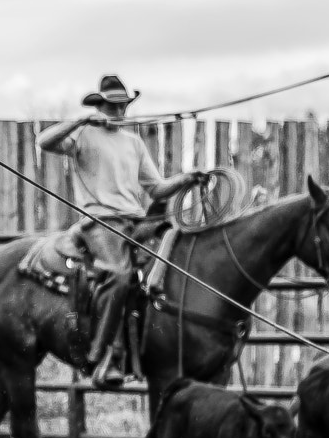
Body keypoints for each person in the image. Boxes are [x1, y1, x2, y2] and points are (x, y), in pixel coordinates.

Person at [37, 76, 205, 389]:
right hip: (100, 221)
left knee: (176, 245)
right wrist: (79, 120)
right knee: (119, 275)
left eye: (123, 105)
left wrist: (186, 178)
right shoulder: (83, 134)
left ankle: (170, 340)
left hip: (135, 220)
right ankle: (104, 356)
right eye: (113, 105)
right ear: (99, 105)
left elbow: (155, 188)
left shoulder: (134, 143)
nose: (120, 110)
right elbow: (44, 142)